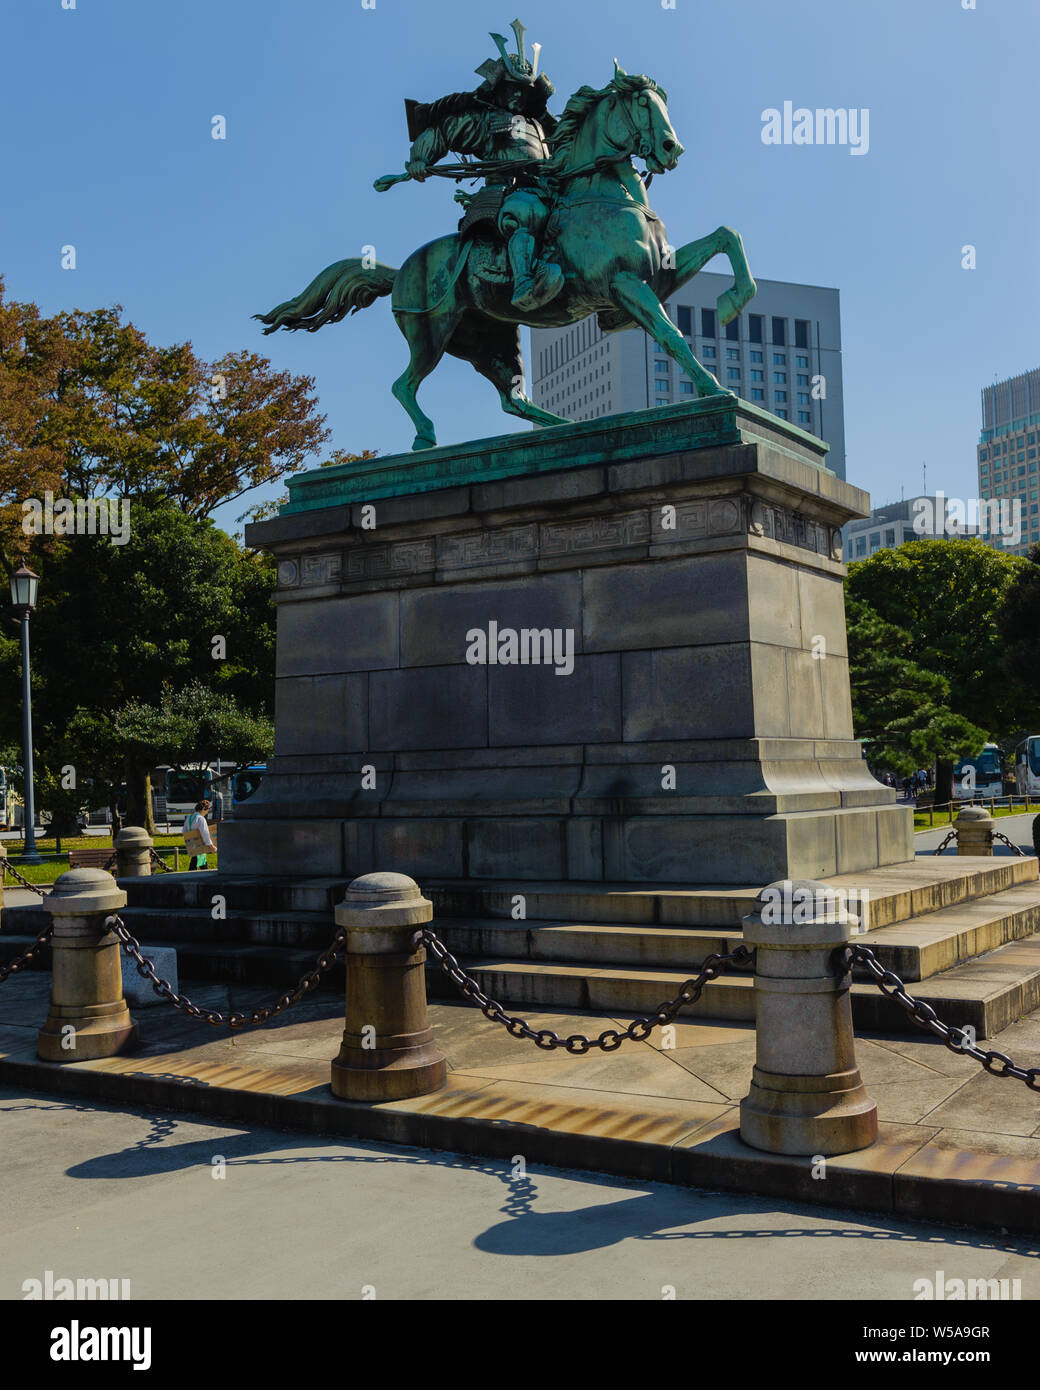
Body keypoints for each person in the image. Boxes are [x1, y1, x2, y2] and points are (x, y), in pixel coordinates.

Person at [183, 799, 216, 870]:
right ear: (204, 809)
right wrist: (212, 846)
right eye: (208, 810)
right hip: (200, 844)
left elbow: (184, 831)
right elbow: (205, 834)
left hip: (192, 844)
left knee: (195, 862)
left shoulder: (189, 817)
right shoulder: (201, 819)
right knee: (200, 865)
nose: (207, 812)